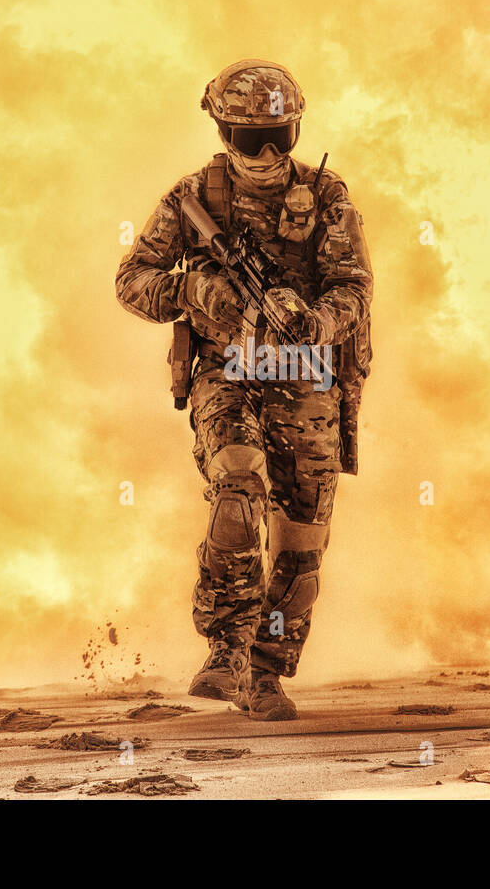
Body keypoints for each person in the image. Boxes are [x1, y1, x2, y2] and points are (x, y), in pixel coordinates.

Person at [115, 60, 372, 720]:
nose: (265, 154)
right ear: (224, 129)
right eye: (250, 136)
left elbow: (352, 285)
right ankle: (226, 647)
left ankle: (267, 669)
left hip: (305, 375)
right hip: (226, 371)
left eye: (278, 138)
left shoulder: (327, 197)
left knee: (303, 538)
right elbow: (133, 280)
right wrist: (192, 289)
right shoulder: (193, 198)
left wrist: (316, 321)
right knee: (237, 489)